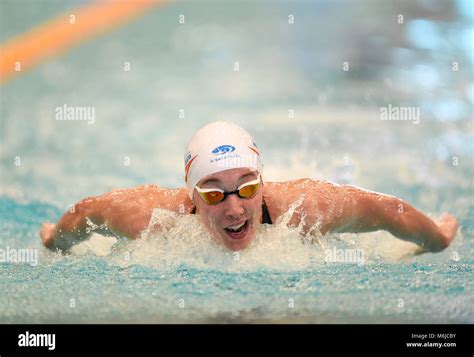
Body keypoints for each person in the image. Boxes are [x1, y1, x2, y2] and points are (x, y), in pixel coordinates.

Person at [40, 121, 458, 254]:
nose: (234, 207)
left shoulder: (304, 209)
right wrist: (54, 242)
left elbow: (389, 211)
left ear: (262, 181)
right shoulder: (150, 218)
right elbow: (85, 212)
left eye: (246, 187)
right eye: (212, 191)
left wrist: (436, 237)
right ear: (191, 195)